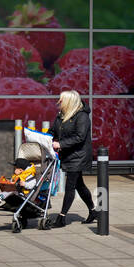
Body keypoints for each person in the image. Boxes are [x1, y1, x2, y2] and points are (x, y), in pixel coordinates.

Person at [49, 90, 97, 226]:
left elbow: (80, 137)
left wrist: (60, 144)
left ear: (69, 102)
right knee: (79, 185)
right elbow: (54, 131)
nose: (59, 102)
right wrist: (45, 137)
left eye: (61, 100)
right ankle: (93, 211)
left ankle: (61, 217)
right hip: (69, 154)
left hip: (78, 155)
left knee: (70, 186)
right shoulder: (61, 115)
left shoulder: (82, 116)